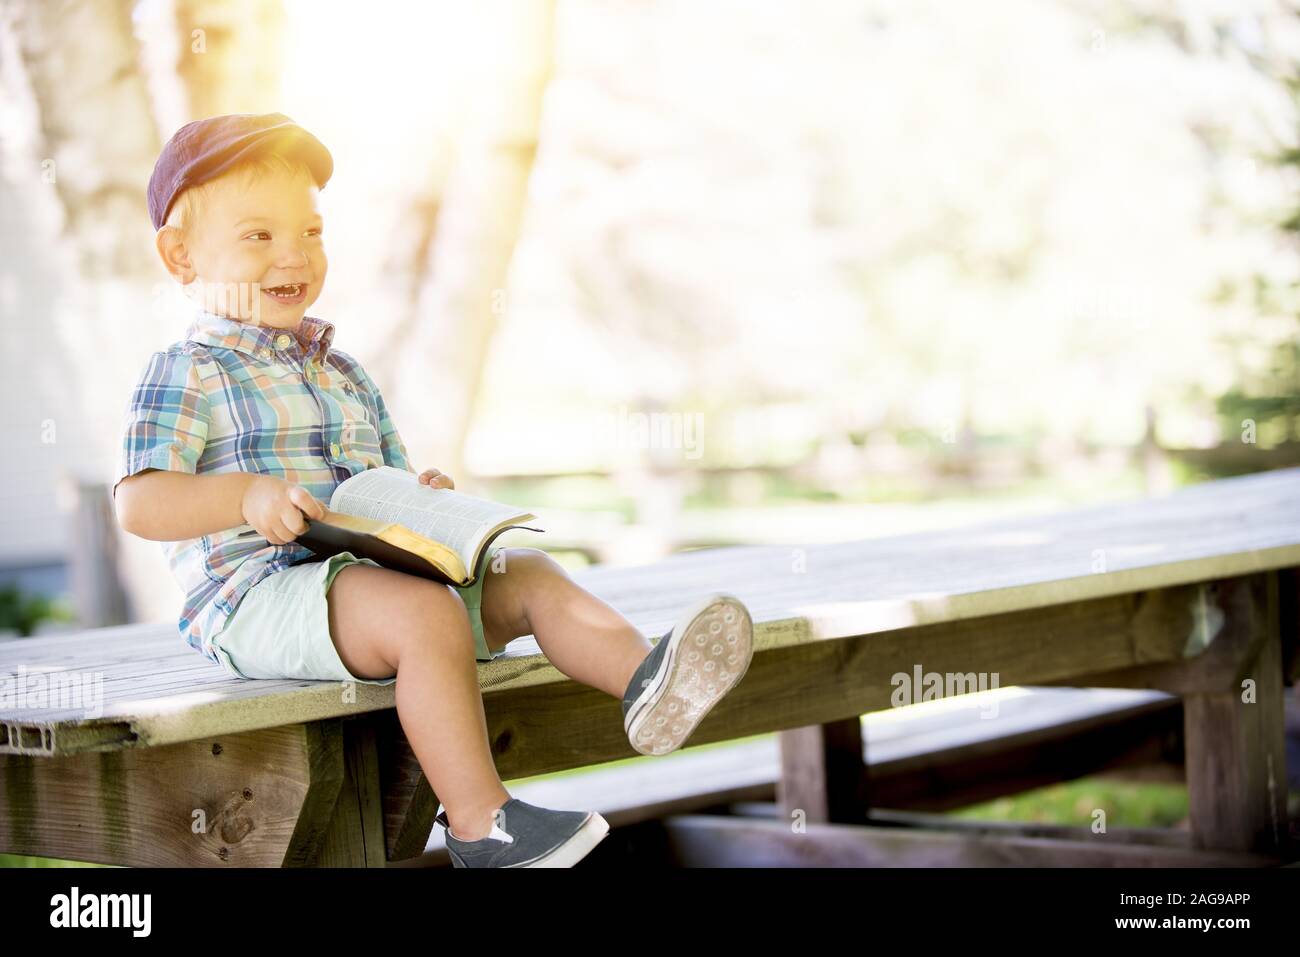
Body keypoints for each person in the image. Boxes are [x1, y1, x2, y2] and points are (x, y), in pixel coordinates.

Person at [111, 113, 755, 868]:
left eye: (311, 233)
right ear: (181, 255)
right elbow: (140, 502)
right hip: (255, 594)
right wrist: (248, 496)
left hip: (367, 575)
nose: (294, 254)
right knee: (426, 614)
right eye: (259, 236)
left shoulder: (342, 370)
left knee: (529, 574)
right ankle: (484, 826)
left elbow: (382, 477)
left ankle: (646, 681)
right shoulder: (188, 370)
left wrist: (423, 494)